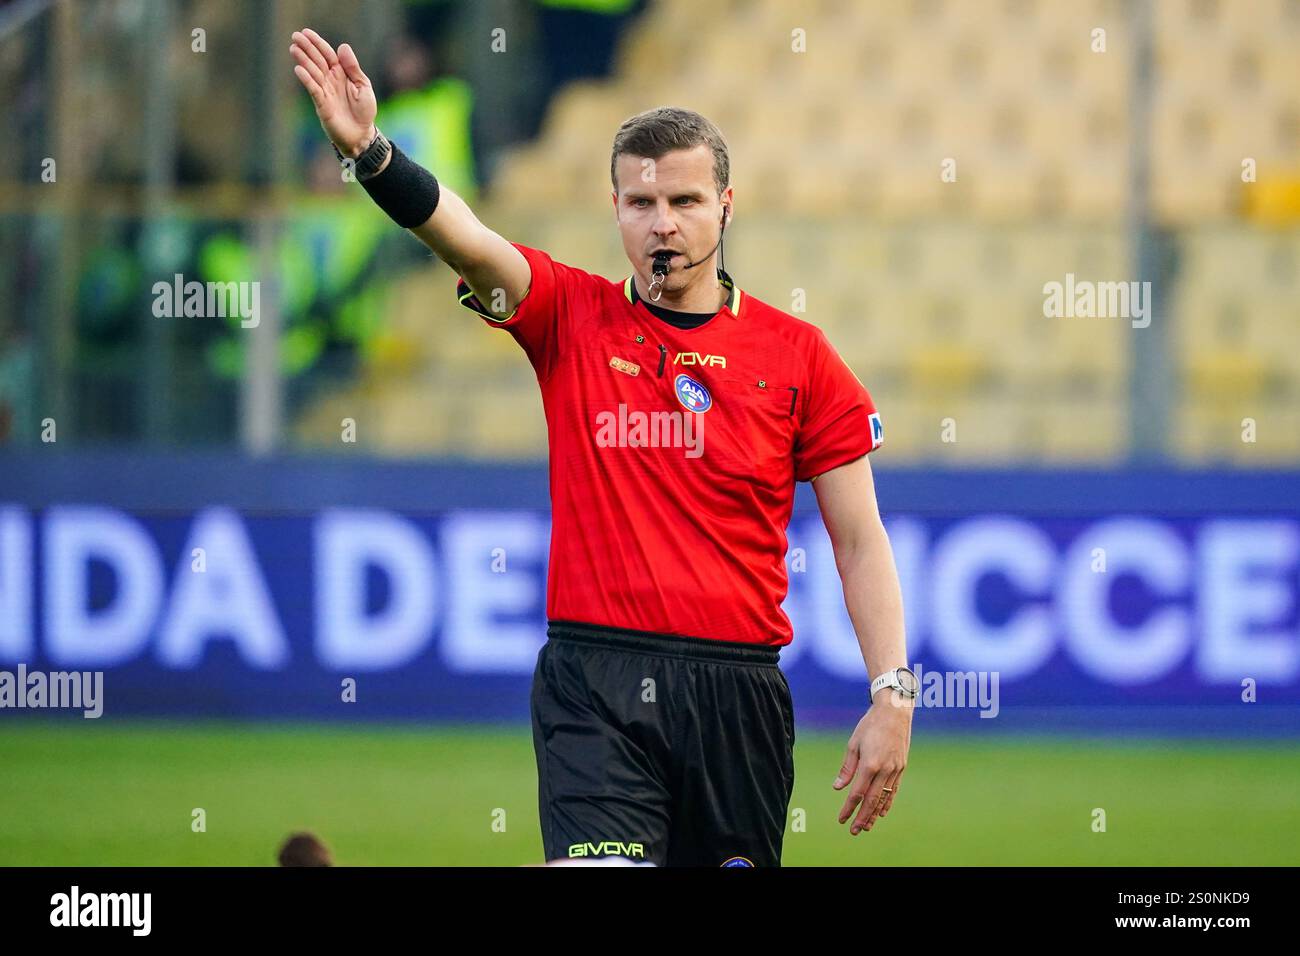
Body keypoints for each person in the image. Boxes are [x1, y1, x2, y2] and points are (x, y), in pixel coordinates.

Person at [290, 27, 915, 867]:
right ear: (615, 209)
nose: (664, 225)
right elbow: (467, 239)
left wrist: (892, 693)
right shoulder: (568, 315)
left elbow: (859, 539)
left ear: (725, 207)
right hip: (596, 683)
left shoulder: (799, 356)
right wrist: (370, 152)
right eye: (641, 204)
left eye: (686, 202)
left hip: (739, 698)